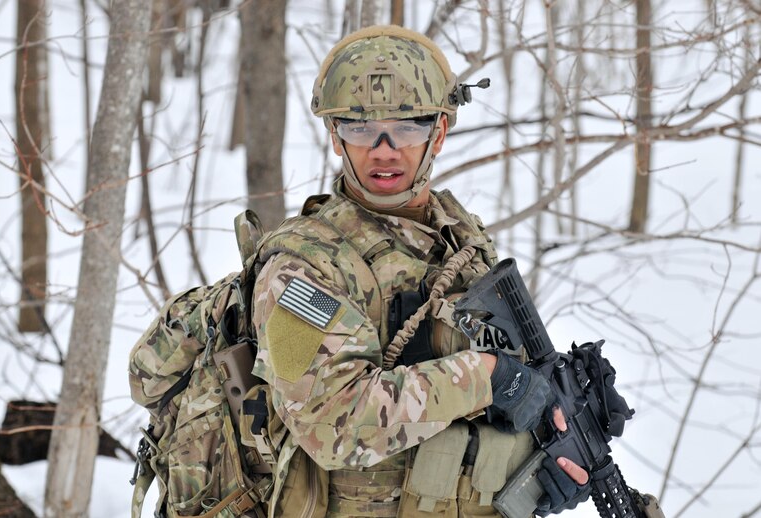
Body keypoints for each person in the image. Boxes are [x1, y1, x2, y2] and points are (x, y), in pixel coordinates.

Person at [248, 25, 588, 518]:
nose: (384, 150)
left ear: (440, 132)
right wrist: (486, 378)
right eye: (360, 129)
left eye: (407, 127)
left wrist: (545, 453)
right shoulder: (302, 269)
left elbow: (497, 385)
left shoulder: (459, 236)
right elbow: (332, 425)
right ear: (335, 136)